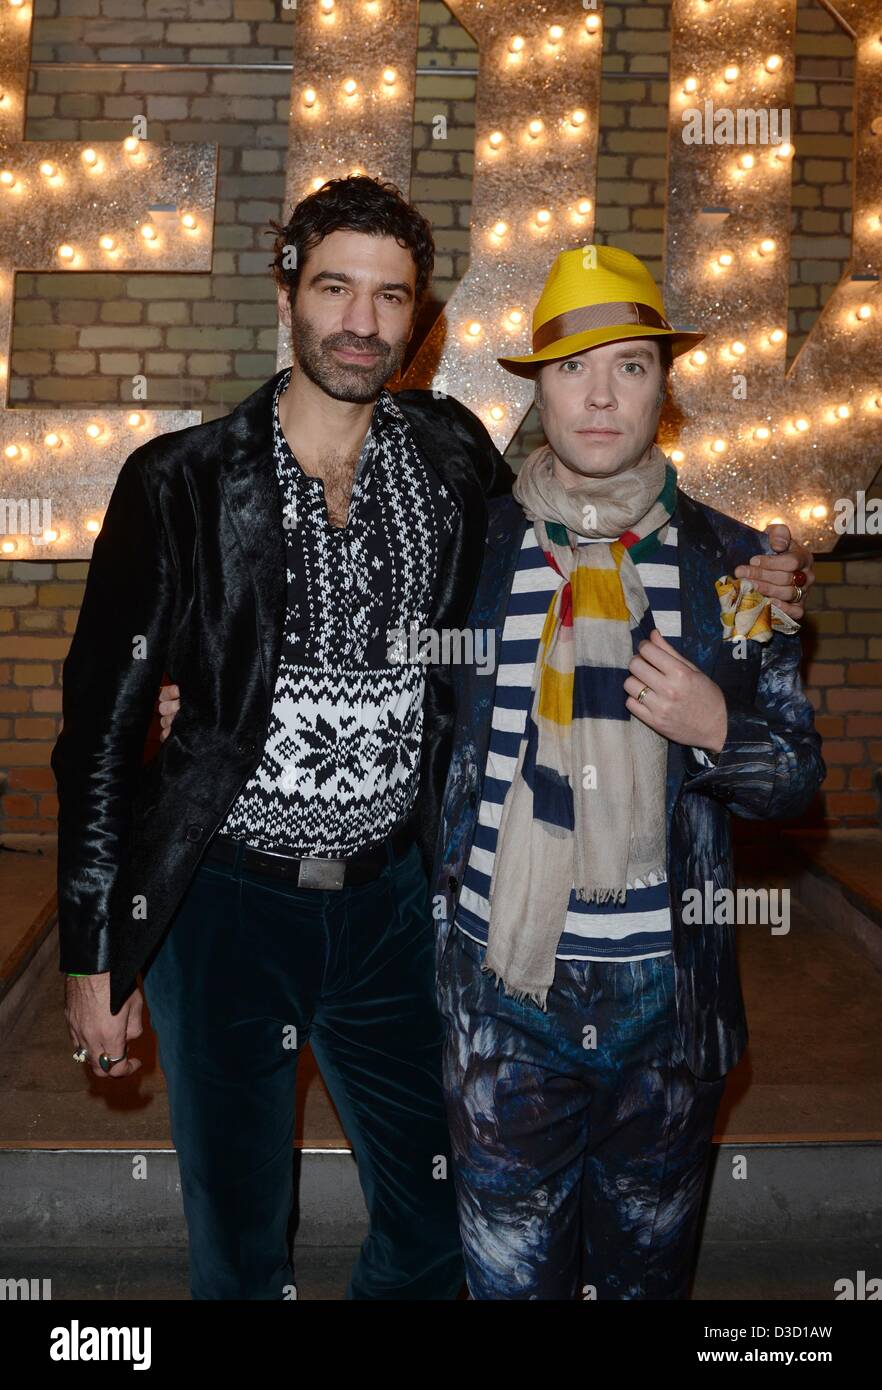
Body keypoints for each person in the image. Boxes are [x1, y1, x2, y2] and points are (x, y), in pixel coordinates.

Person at [73, 174, 812, 1301]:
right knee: (238, 1238)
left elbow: (606, 521)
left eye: (390, 298)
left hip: (395, 906)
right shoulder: (179, 482)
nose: (361, 321)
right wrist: (98, 949)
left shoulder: (454, 463)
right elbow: (102, 725)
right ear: (290, 295)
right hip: (230, 906)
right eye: (336, 288)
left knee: (430, 1231)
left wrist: (751, 608)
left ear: (419, 323)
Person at [430, 244, 825, 1299]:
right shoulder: (470, 556)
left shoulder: (735, 568)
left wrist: (714, 725)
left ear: (665, 384)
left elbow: (795, 779)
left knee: (645, 1286)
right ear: (538, 387)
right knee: (511, 1286)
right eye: (573, 368)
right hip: (500, 989)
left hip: (668, 1006)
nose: (601, 396)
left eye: (633, 366)